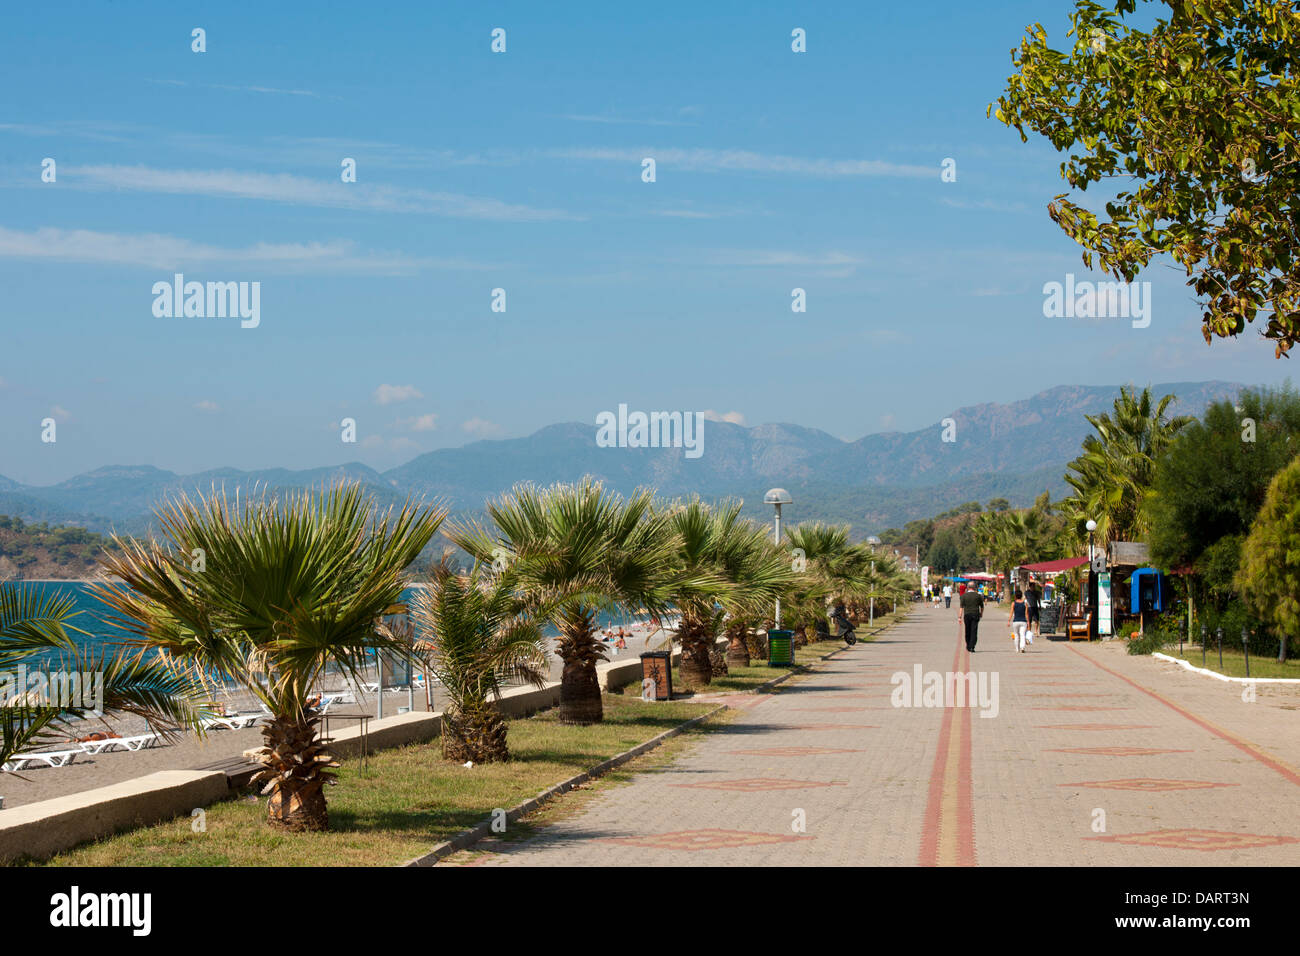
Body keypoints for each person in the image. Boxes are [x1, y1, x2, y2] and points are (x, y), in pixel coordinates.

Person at [958, 584, 985, 652]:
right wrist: (981, 614)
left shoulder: (963, 596)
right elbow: (982, 606)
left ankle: (968, 645)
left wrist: (959, 617)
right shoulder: (978, 596)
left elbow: (961, 607)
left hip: (967, 615)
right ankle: (972, 646)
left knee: (967, 630)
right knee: (974, 631)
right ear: (974, 588)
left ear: (967, 588)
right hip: (975, 614)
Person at [1008, 587, 1029, 653]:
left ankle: (1017, 649)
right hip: (1023, 621)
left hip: (1016, 621)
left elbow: (1011, 612)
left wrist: (1009, 621)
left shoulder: (1013, 603)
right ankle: (1022, 647)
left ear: (1015, 596)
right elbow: (1026, 614)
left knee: (1016, 635)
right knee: (1022, 635)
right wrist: (1028, 622)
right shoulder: (1025, 604)